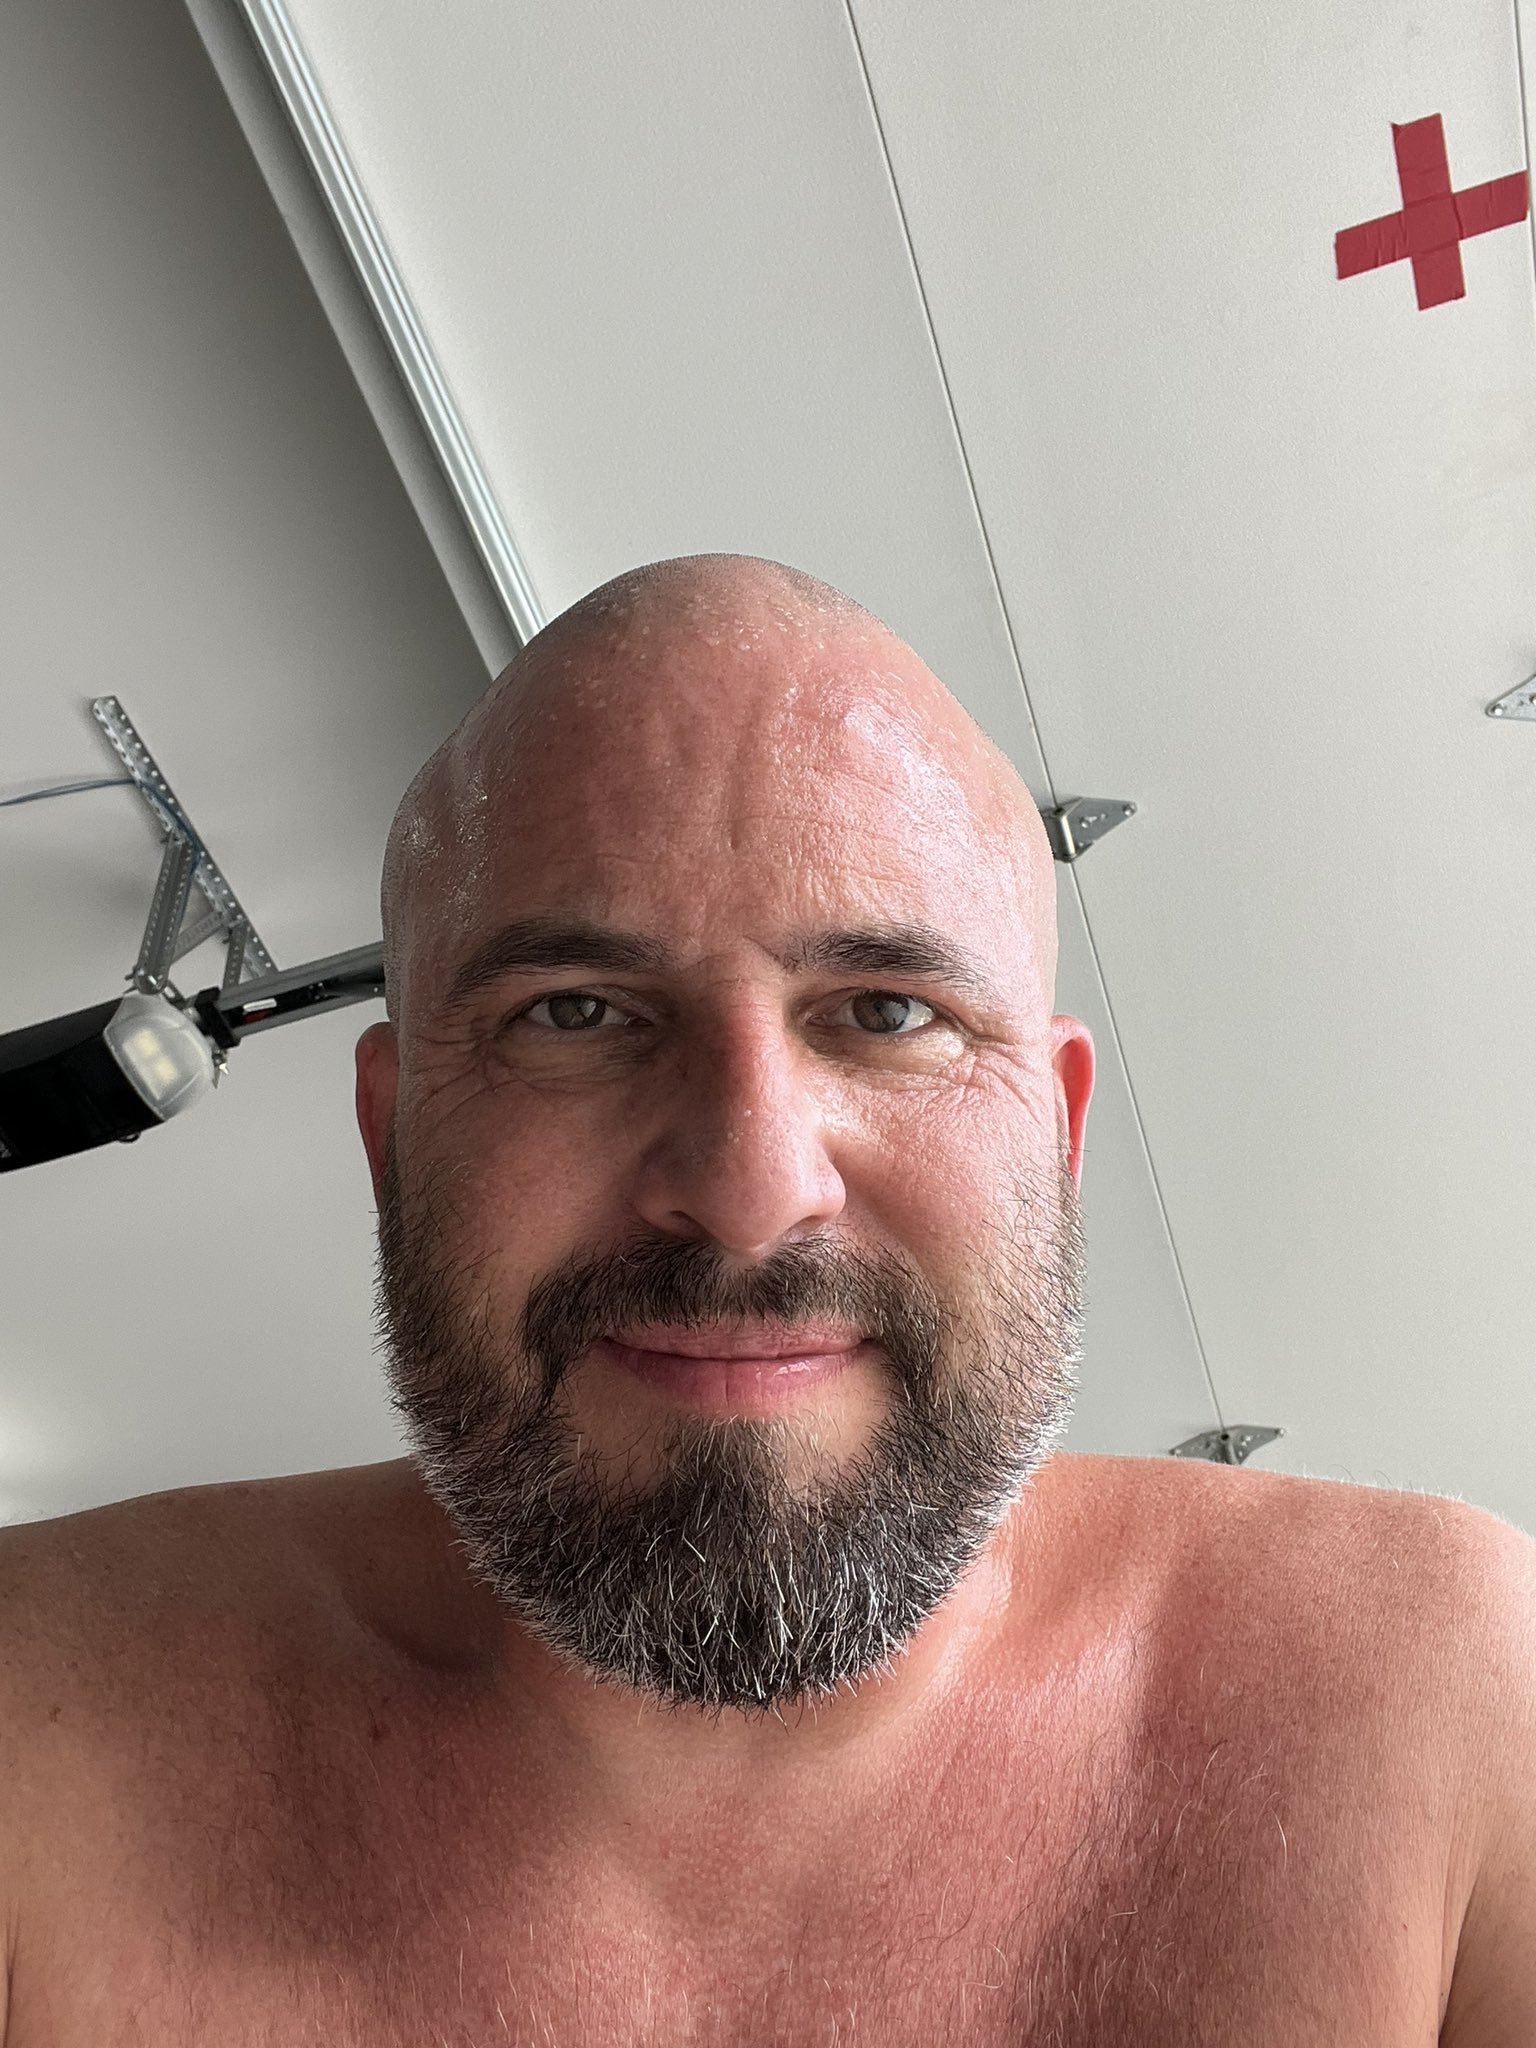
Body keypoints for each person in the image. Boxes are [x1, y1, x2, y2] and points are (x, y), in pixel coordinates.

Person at [0, 553, 1531, 2045]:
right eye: (575, 1014)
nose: (748, 1188)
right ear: (394, 1141)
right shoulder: (35, 1724)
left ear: (1059, 1142)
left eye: (889, 1012)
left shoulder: (1453, 1705)